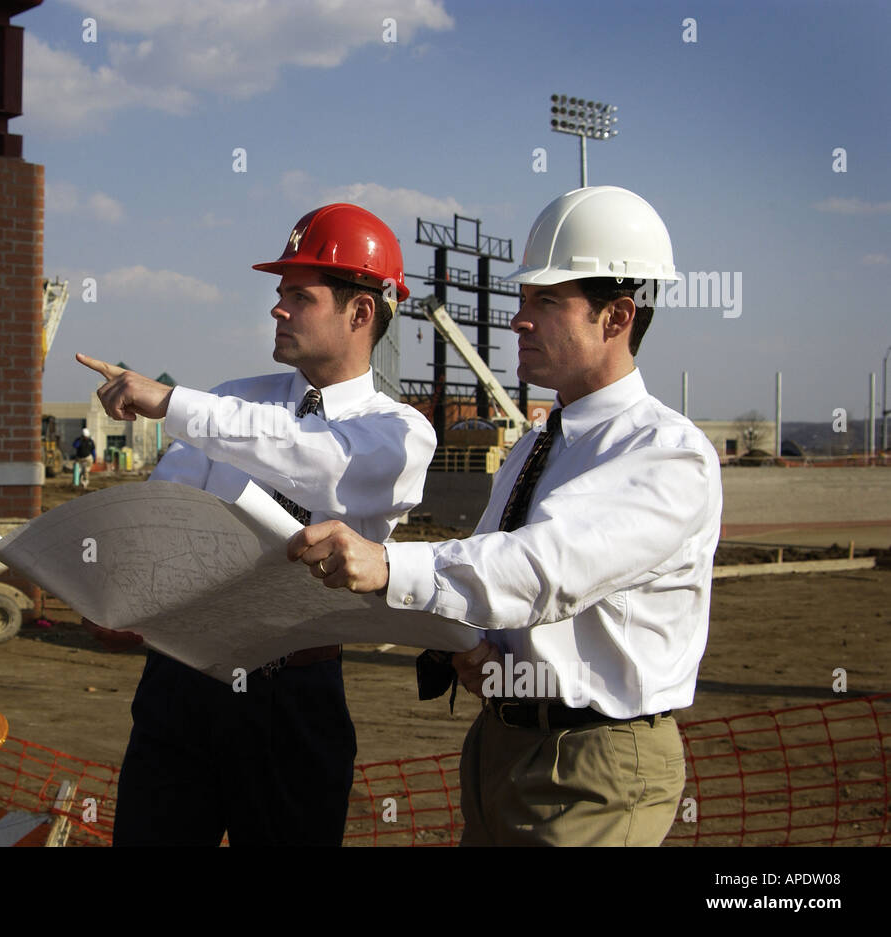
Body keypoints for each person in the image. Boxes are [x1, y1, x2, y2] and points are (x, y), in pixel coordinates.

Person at [288, 186, 722, 846]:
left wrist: (388, 564)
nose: (519, 320)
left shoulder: (666, 453)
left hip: (593, 767)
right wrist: (481, 652)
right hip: (501, 745)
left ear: (617, 316)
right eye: (522, 300)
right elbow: (494, 581)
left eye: (547, 301)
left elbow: (548, 568)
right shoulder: (535, 445)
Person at [75, 203, 437, 845]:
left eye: (300, 295)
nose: (277, 308)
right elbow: (162, 518)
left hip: (293, 694)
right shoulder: (231, 400)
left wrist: (173, 403)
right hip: (180, 685)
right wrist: (119, 593)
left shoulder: (400, 433)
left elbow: (316, 459)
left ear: (360, 313)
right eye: (279, 293)